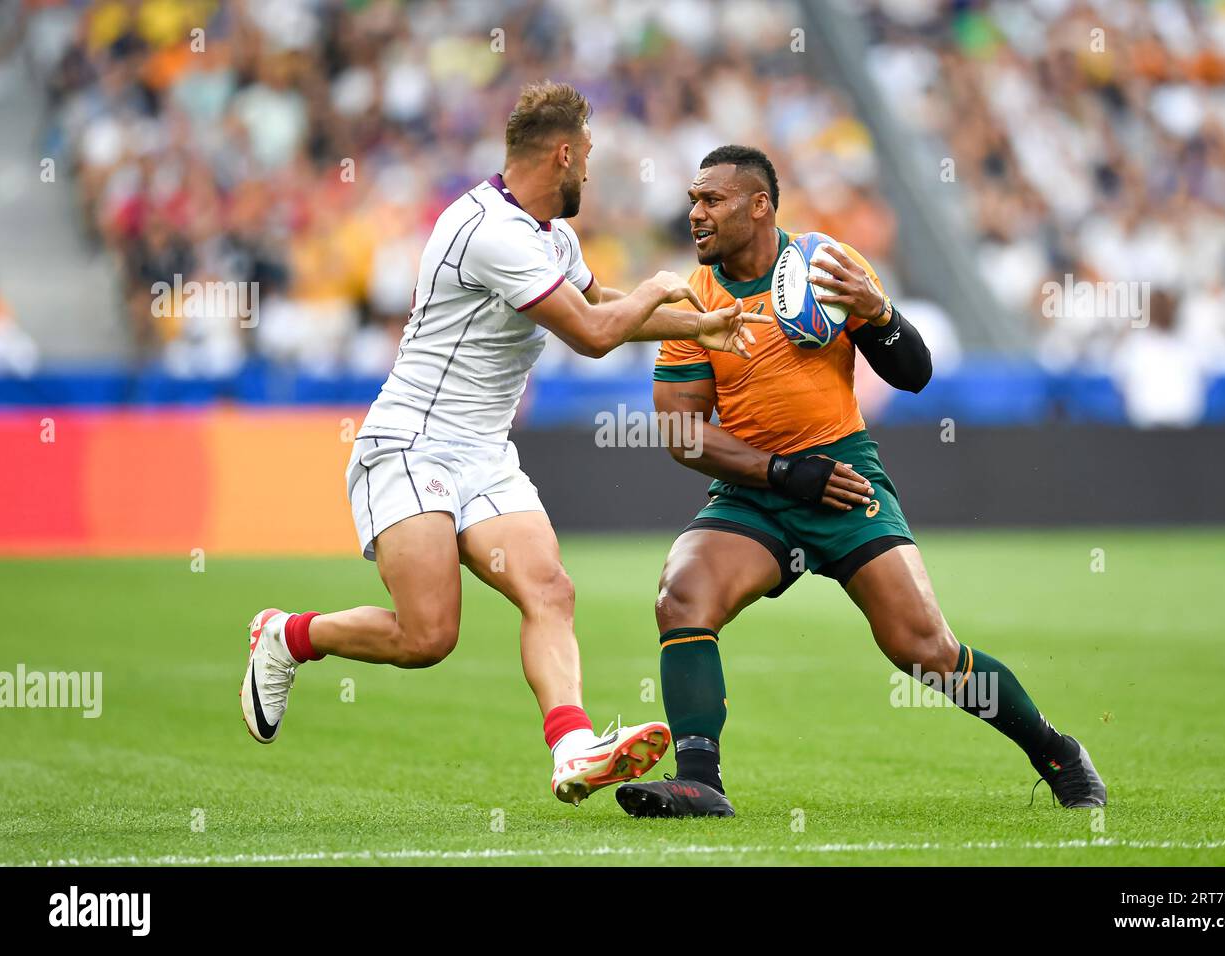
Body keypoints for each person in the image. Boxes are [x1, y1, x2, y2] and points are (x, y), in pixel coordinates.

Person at [241, 84, 768, 806]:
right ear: (561, 153)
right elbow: (590, 335)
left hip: (484, 456)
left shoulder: (553, 235)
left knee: (550, 588)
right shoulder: (487, 230)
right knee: (428, 637)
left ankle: (573, 748)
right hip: (410, 445)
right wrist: (662, 290)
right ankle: (289, 636)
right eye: (585, 156)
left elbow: (599, 308)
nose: (589, 170)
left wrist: (695, 325)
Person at [615, 145, 1106, 817]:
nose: (694, 213)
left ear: (760, 205)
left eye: (711, 200)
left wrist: (879, 315)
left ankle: (1055, 751)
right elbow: (680, 431)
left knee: (923, 649)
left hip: (845, 480)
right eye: (693, 200)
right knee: (681, 597)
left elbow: (914, 374)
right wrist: (784, 473)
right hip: (758, 489)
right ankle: (700, 779)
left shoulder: (828, 267)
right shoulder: (692, 302)